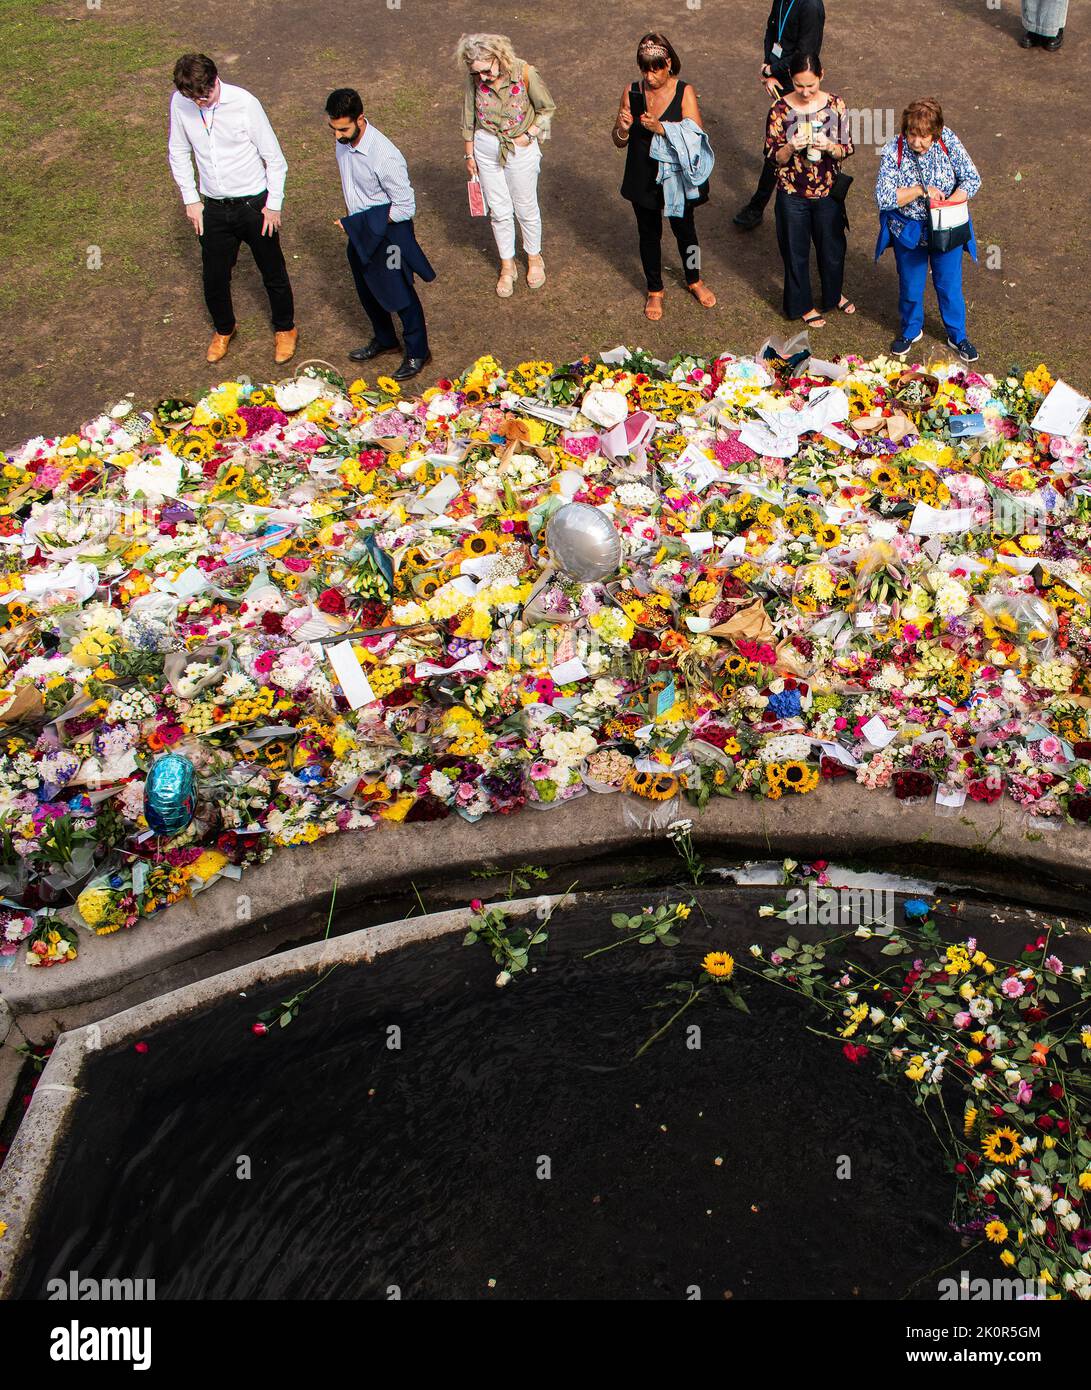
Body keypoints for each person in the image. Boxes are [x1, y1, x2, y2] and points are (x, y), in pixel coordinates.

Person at [167, 53, 297, 366]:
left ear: (215, 80)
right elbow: (178, 151)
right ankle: (224, 328)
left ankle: (285, 328)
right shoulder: (180, 102)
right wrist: (191, 200)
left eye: (204, 96)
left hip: (254, 205)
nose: (200, 103)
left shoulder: (245, 103)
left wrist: (273, 204)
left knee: (272, 271)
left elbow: (275, 160)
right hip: (212, 206)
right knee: (213, 276)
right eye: (192, 98)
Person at [326, 88, 435, 381]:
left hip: (389, 238)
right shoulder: (344, 143)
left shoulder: (385, 156)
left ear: (361, 119)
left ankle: (417, 351)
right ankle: (385, 339)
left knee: (399, 292)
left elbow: (405, 207)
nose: (337, 136)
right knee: (366, 290)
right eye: (333, 129)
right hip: (360, 234)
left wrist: (361, 222)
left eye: (343, 129)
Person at [613, 32, 716, 322]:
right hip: (642, 173)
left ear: (668, 63)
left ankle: (694, 279)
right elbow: (619, 141)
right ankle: (654, 289)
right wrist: (622, 128)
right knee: (648, 234)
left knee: (687, 233)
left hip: (675, 177)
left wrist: (662, 129)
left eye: (655, 68)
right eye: (644, 68)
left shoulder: (684, 91)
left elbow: (696, 135)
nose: (649, 75)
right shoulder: (632, 91)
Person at [874, 97, 982, 363]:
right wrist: (920, 191)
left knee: (949, 286)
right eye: (912, 134)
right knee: (910, 286)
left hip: (946, 227)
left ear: (936, 132)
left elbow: (972, 178)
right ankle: (911, 330)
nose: (917, 142)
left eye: (924, 136)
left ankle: (957, 336)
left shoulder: (949, 141)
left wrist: (952, 199)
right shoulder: (893, 150)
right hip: (909, 231)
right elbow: (884, 196)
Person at [456, 33, 556, 297]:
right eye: (477, 73)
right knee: (499, 211)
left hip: (519, 149)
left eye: (487, 71)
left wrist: (529, 134)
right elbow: (469, 117)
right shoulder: (474, 79)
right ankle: (507, 265)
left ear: (498, 57)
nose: (483, 78)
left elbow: (547, 109)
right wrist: (470, 156)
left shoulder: (525, 72)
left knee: (525, 207)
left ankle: (534, 258)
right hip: (485, 148)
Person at [765, 54, 853, 329]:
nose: (804, 92)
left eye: (811, 86)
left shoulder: (836, 104)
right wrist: (791, 146)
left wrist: (829, 146)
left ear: (822, 76)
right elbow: (772, 157)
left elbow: (846, 149)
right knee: (795, 251)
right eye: (799, 85)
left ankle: (833, 294)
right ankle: (803, 304)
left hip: (828, 192)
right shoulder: (779, 109)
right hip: (793, 194)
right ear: (791, 80)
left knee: (832, 248)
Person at [734, 0, 826, 231]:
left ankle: (758, 206)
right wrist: (768, 64)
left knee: (783, 145)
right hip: (779, 75)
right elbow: (771, 29)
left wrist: (771, 71)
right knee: (784, 141)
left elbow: (805, 54)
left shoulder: (811, 7)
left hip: (797, 84)